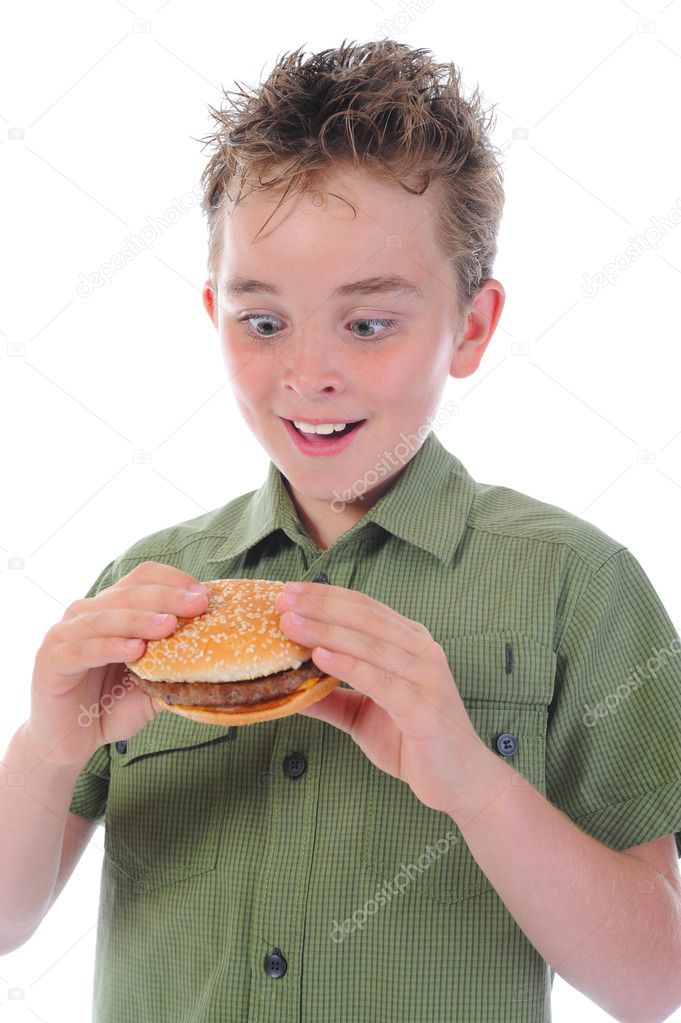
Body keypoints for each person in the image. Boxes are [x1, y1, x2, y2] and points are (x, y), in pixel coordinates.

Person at [2, 38, 680, 1023]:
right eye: (263, 322)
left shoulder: (577, 584)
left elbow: (656, 981)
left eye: (367, 324)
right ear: (215, 314)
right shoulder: (147, 590)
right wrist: (43, 749)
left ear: (472, 326)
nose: (308, 373)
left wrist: (475, 784)